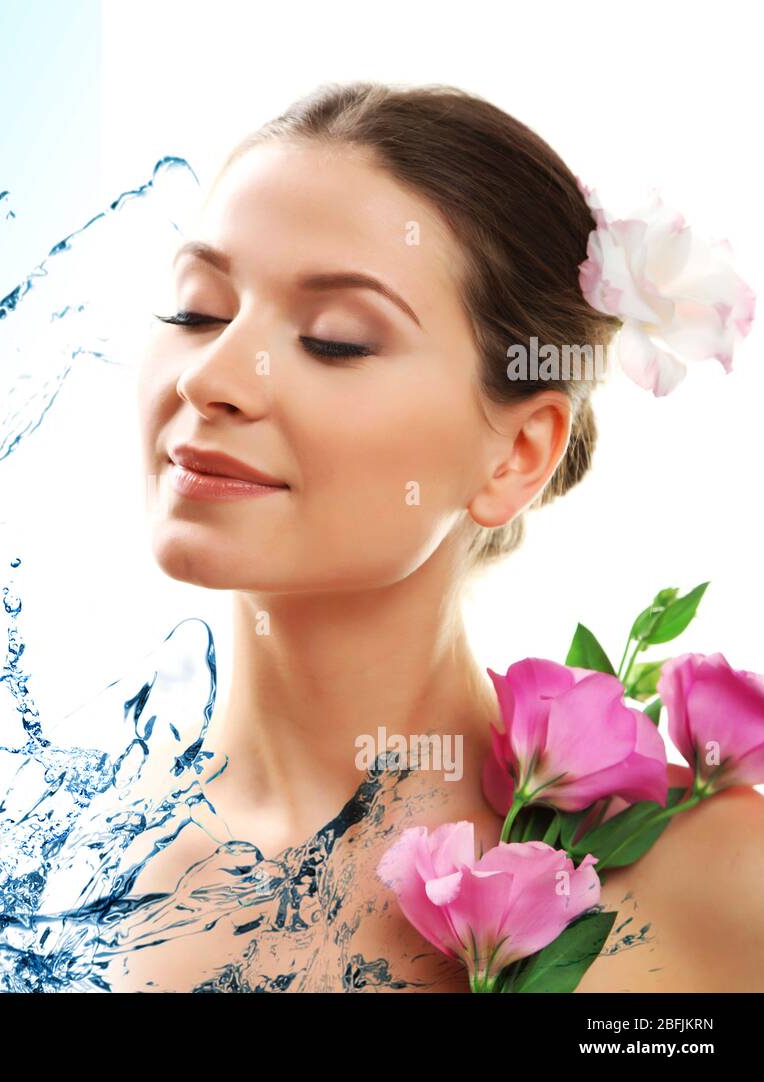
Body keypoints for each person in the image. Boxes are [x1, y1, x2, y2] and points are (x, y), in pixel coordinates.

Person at [122, 81, 764, 992]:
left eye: (335, 338)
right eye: (198, 311)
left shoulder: (713, 885)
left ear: (517, 454)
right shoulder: (68, 884)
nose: (213, 376)